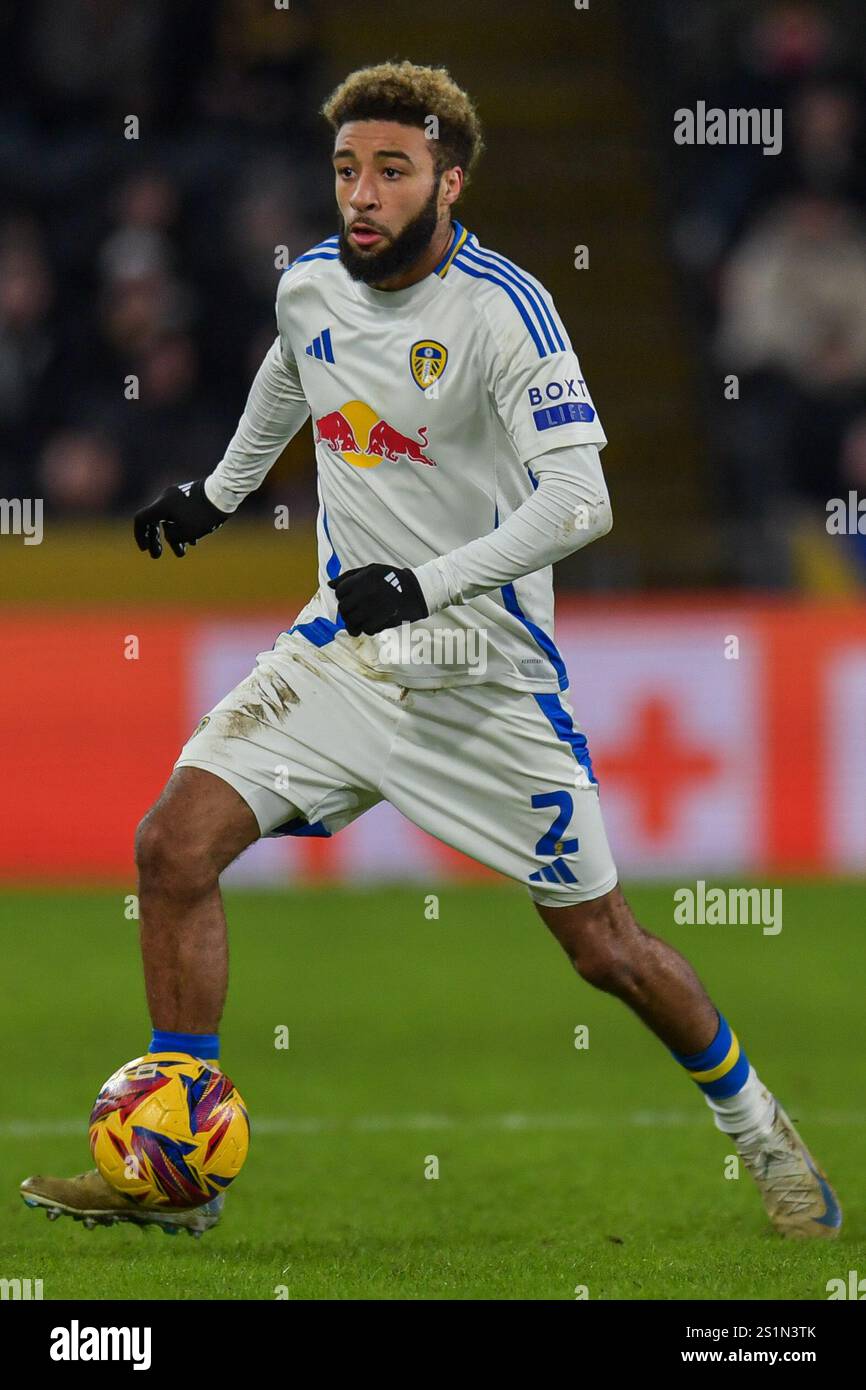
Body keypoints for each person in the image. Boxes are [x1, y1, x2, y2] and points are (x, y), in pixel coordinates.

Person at [21, 60, 840, 1239]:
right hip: (341, 660)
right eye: (346, 168)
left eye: (391, 171)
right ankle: (175, 1169)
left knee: (604, 950)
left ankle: (759, 1131)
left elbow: (581, 502)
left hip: (480, 677)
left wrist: (423, 582)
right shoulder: (311, 283)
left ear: (448, 183)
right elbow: (289, 369)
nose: (361, 193)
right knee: (171, 845)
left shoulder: (504, 311)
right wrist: (217, 493)